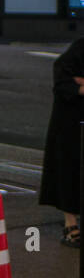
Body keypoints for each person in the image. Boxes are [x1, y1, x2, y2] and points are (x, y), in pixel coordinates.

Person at [39, 36, 84, 247]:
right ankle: (70, 224)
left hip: (73, 117)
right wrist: (79, 87)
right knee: (70, 170)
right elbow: (65, 83)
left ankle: (72, 224)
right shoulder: (80, 47)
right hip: (72, 123)